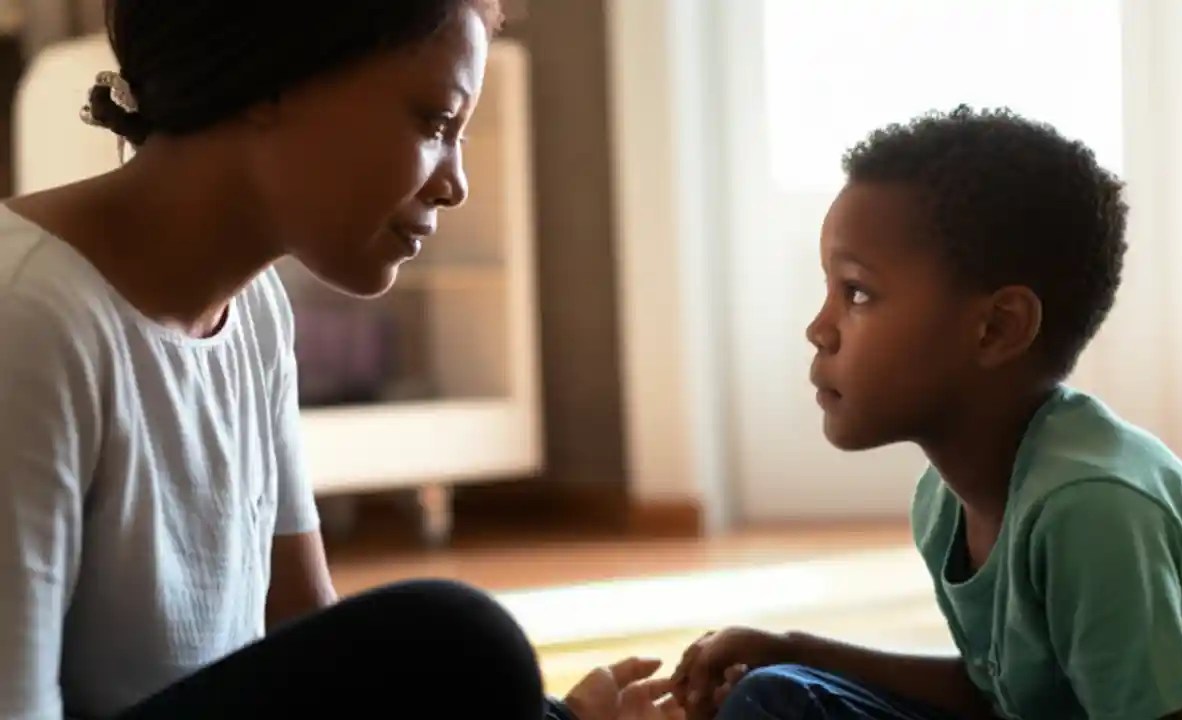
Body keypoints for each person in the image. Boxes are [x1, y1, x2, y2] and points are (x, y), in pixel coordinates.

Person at [0, 1, 682, 718]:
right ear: (273, 78)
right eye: (434, 123)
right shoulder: (28, 319)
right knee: (457, 642)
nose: (455, 184)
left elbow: (310, 636)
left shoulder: (256, 310)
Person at [672, 106, 1182, 720]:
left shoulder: (1090, 507)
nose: (818, 329)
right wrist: (792, 649)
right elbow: (1002, 697)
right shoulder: (944, 502)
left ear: (995, 328)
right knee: (778, 694)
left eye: (856, 292)